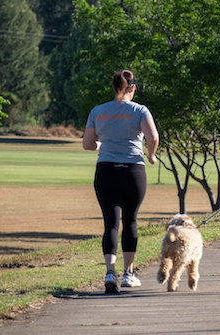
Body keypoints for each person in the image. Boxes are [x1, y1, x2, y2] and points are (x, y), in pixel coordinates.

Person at [82, 70, 159, 294]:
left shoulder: (98, 111)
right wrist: (151, 155)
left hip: (106, 171)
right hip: (133, 170)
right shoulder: (139, 110)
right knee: (131, 220)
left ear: (114, 86)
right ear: (132, 88)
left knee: (111, 223)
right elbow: (152, 137)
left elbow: (87, 144)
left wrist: (103, 146)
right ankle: (128, 274)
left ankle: (109, 272)